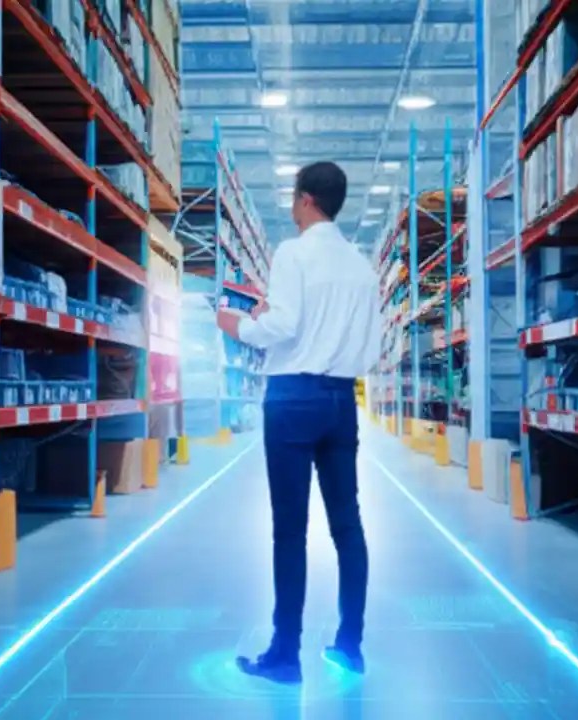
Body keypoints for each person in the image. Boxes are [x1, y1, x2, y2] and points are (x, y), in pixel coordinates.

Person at [216, 161, 382, 684]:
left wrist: (240, 324)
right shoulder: (361, 267)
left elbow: (285, 326)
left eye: (293, 197)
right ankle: (349, 647)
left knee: (290, 530)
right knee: (348, 526)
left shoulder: (293, 252)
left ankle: (285, 655)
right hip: (340, 400)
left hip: (291, 400)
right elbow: (372, 347)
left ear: (306, 199)